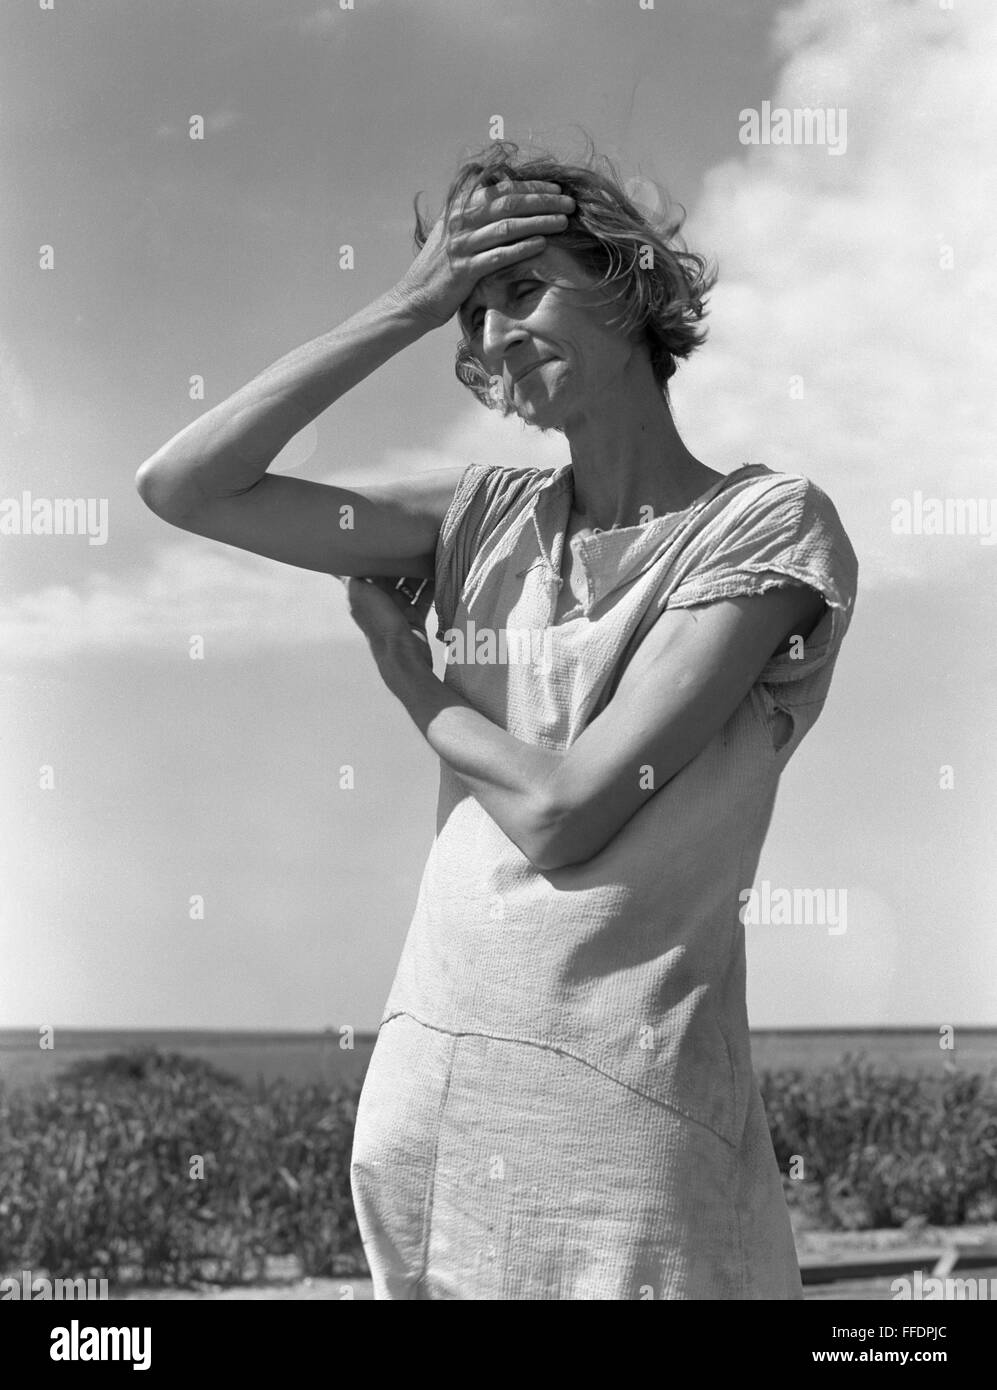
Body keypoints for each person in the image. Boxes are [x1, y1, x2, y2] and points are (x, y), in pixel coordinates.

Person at [136, 139, 858, 1300]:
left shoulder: (765, 529)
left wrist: (409, 676)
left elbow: (567, 812)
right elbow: (185, 486)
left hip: (628, 1140)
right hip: (427, 1115)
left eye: (521, 289)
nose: (489, 335)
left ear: (626, 282)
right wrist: (406, 304)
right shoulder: (478, 517)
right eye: (467, 316)